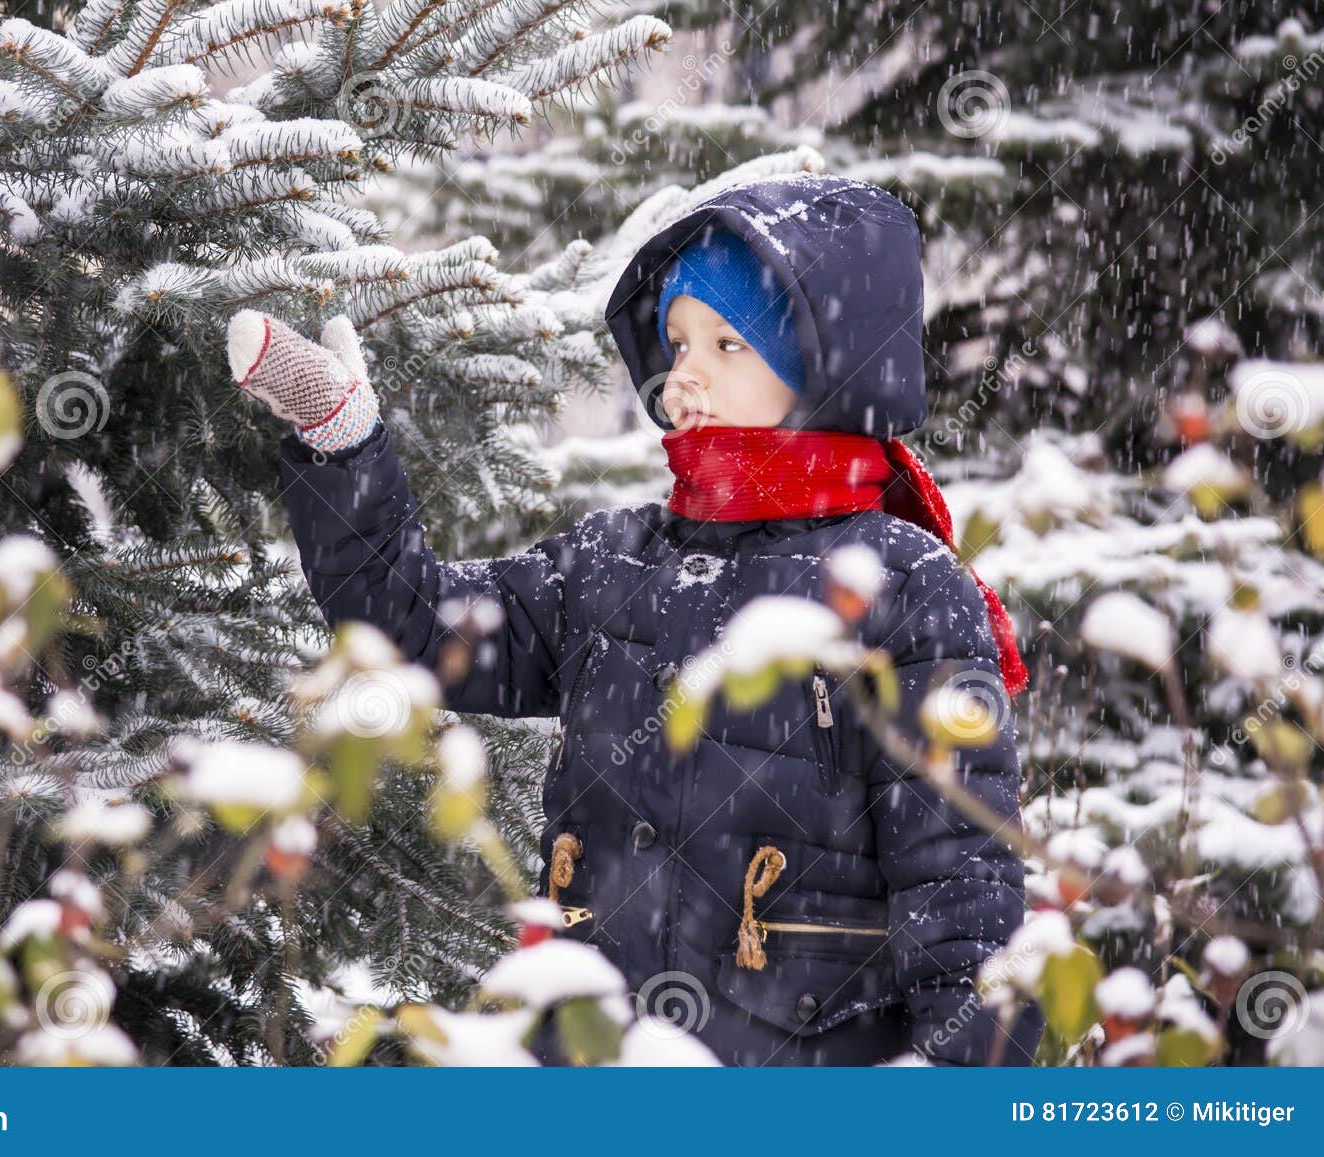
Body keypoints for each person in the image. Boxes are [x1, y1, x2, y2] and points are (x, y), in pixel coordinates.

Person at [229, 172, 1046, 1066]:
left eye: (728, 344)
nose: (684, 374)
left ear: (828, 367)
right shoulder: (609, 562)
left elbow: (962, 888)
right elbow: (412, 627)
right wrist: (343, 443)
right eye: (678, 342)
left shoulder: (903, 585)